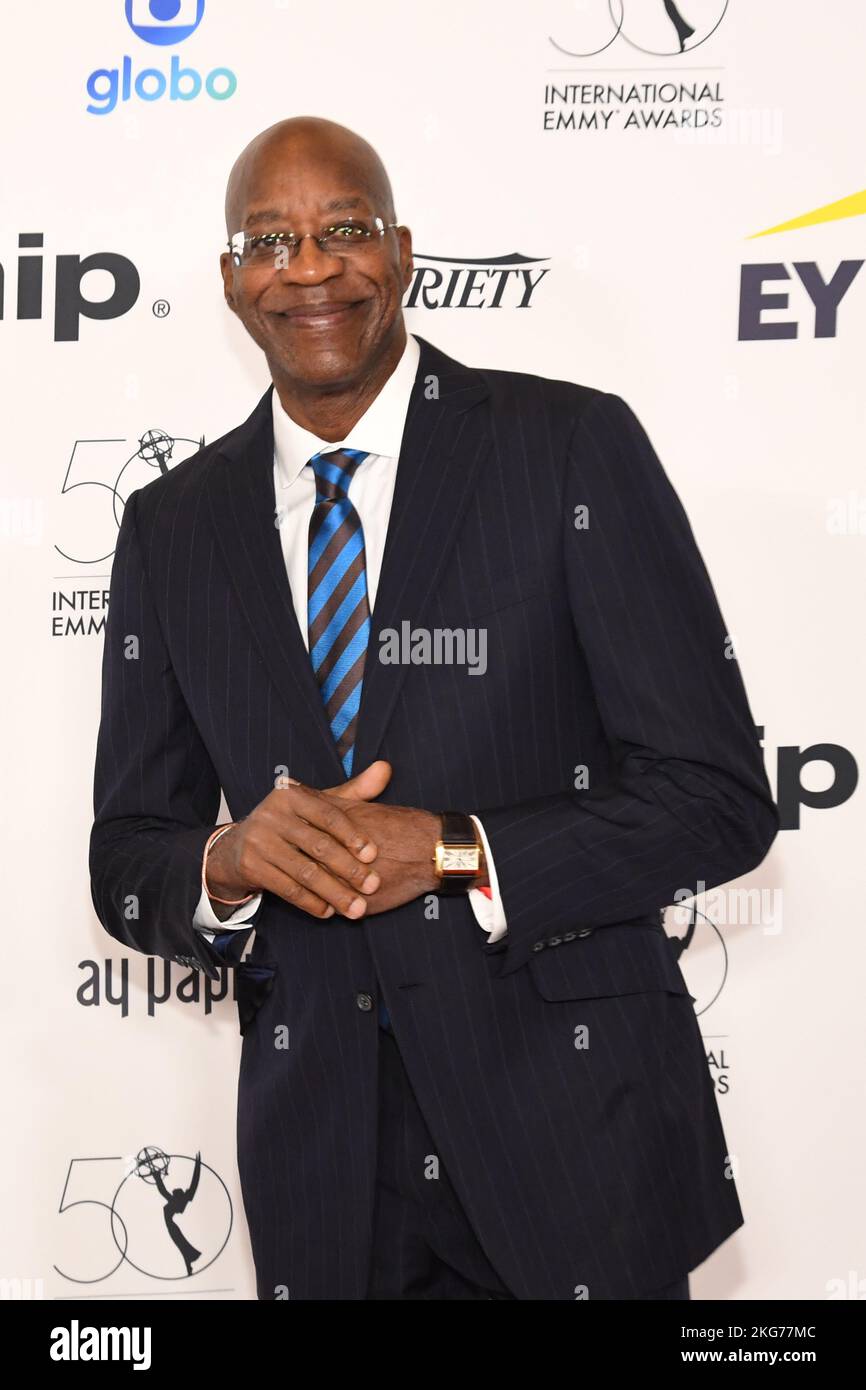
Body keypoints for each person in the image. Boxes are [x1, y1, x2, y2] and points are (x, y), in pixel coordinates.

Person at [90, 116, 778, 1300]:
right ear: (229, 279)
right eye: (271, 240)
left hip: (574, 1145)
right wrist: (231, 857)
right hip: (326, 1178)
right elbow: (126, 857)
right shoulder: (172, 528)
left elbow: (716, 799)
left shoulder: (566, 448)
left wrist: (461, 850)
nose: (309, 266)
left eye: (344, 230)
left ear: (402, 252)